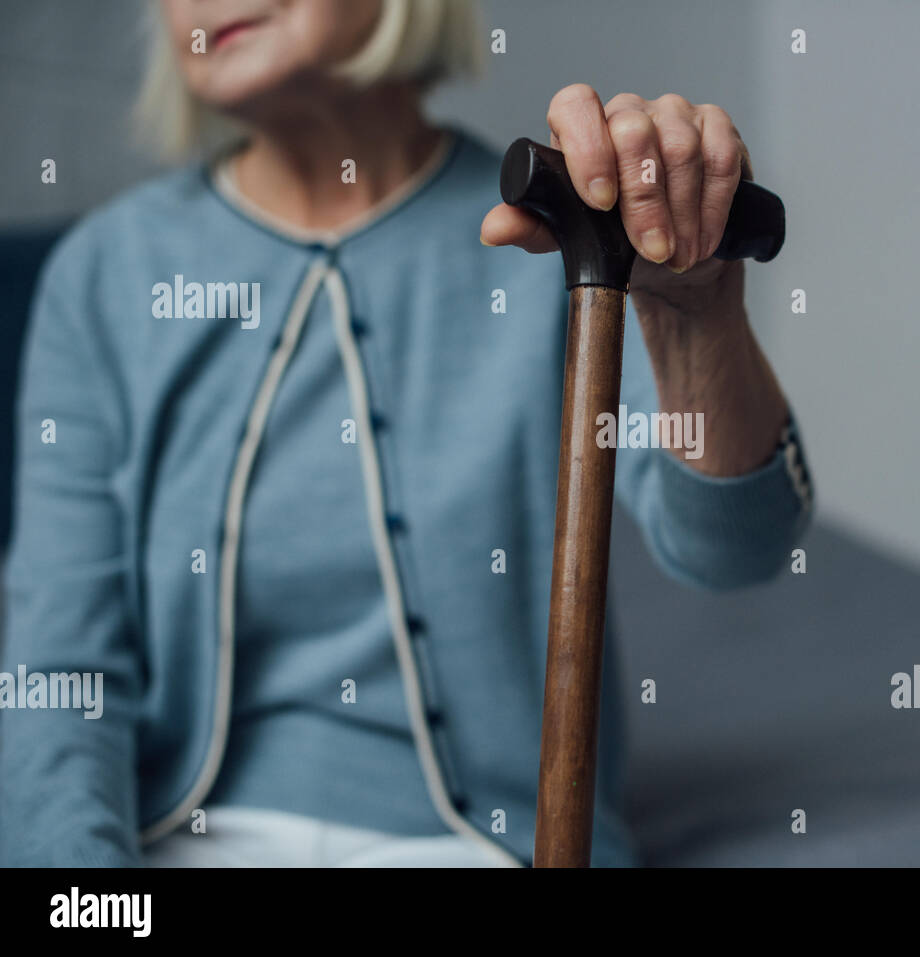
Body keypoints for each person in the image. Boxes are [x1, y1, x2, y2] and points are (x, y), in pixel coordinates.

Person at [0, 0, 813, 867]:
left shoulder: (562, 243)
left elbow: (736, 549)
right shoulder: (106, 274)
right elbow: (59, 666)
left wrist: (694, 318)